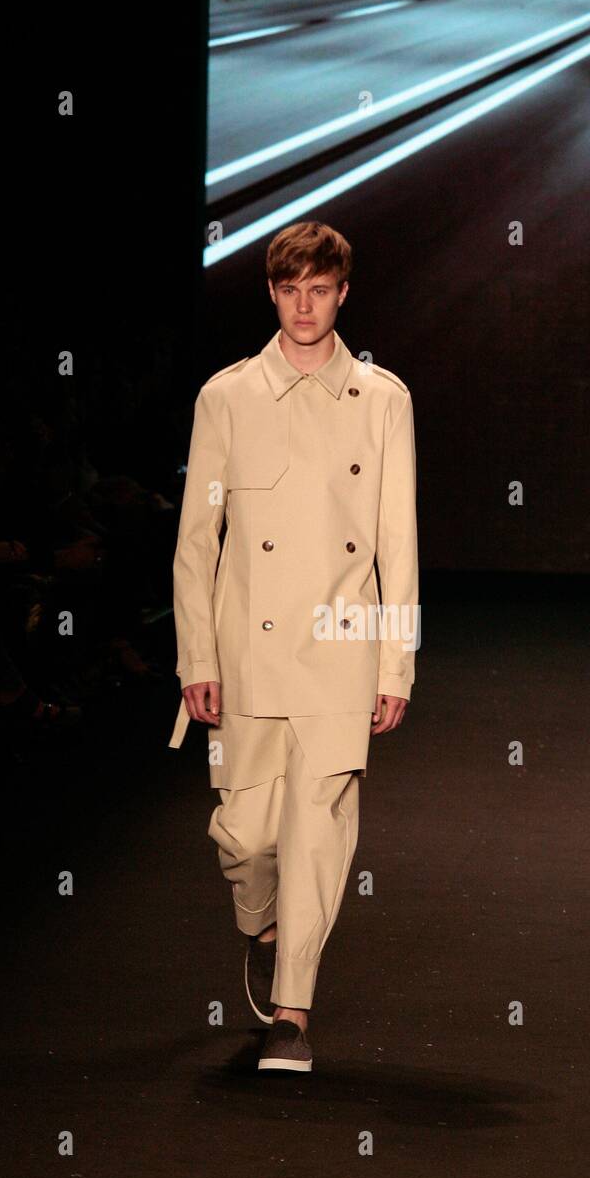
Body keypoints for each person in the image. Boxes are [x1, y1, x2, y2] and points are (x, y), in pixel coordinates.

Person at [168, 221, 419, 1072]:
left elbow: (397, 540)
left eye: (320, 289)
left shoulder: (384, 399)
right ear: (271, 294)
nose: (305, 305)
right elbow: (197, 539)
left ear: (343, 293)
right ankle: (263, 925)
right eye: (289, 289)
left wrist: (397, 662)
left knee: (318, 834)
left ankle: (292, 1011)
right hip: (246, 649)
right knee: (242, 834)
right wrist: (195, 657)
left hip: (343, 643)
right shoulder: (226, 397)